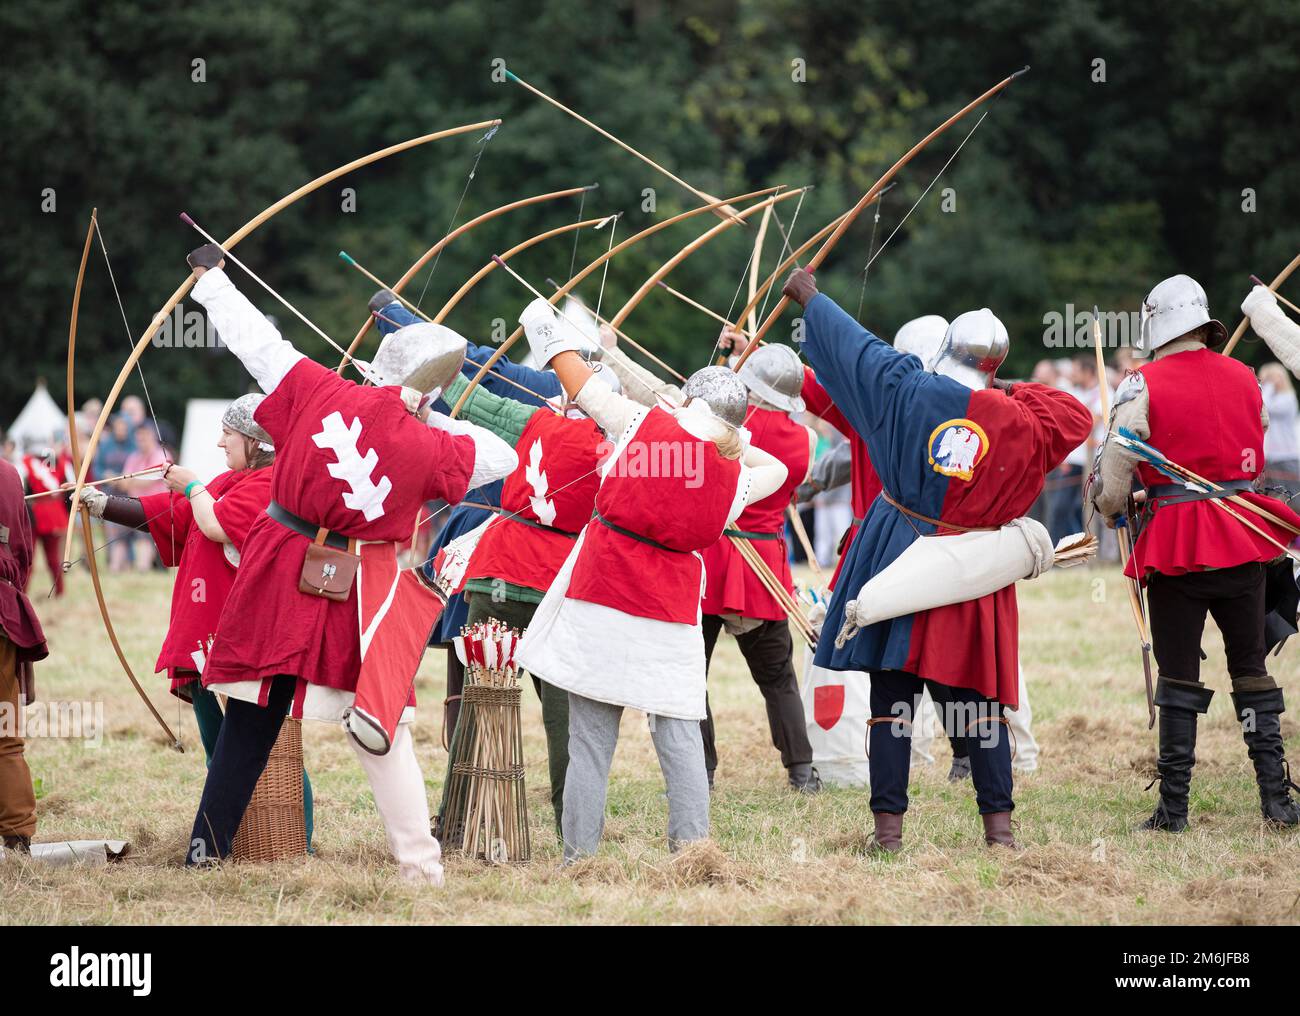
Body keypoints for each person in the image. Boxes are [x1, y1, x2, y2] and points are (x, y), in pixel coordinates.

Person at [179, 245, 516, 882]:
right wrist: (431, 414)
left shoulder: (316, 387)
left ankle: (206, 850)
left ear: (376, 369)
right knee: (379, 724)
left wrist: (215, 281)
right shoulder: (432, 443)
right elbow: (500, 457)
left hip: (284, 564)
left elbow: (259, 343)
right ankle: (420, 869)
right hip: (356, 586)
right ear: (429, 387)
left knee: (254, 711)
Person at [782, 267, 1090, 851]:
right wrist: (1002, 391)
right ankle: (998, 834)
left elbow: (858, 347)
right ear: (995, 366)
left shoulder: (905, 388)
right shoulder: (1023, 420)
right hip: (975, 571)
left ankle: (888, 834)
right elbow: (1072, 415)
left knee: (892, 701)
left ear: (946, 348)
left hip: (901, 553)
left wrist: (812, 299)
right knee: (981, 707)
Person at [515, 299, 788, 860]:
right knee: (679, 730)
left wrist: (541, 323)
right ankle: (692, 854)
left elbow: (579, 383)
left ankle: (579, 858)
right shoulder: (733, 474)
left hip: (604, 588)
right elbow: (777, 470)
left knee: (592, 738)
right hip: (669, 606)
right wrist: (723, 437)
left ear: (690, 402)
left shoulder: (643, 424)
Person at [1093, 274, 1300, 831]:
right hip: (1241, 535)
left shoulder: (1142, 381)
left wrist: (1113, 499)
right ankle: (1276, 799)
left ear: (1156, 325)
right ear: (1204, 323)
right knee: (1251, 669)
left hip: (1177, 545)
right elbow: (1243, 461)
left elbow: (1114, 477)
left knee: (1179, 672)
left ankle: (1175, 809)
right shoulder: (1246, 377)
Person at [79, 395, 315, 845]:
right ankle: (234, 836)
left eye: (230, 433)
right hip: (203, 642)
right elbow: (176, 517)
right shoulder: (228, 482)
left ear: (257, 441)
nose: (220, 441)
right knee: (218, 748)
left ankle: (293, 840)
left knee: (266, 750)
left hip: (243, 644)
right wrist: (101, 504)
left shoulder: (271, 488)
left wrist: (192, 486)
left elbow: (215, 524)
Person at [368, 293, 563, 773]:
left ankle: (471, 778)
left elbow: (463, 362)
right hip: (521, 546)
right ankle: (485, 780)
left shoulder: (534, 383)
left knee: (478, 664)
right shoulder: (567, 390)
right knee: (492, 665)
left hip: (495, 541)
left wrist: (391, 314)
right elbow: (467, 361)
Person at [427, 359, 619, 836]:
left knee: (479, 703)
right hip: (559, 584)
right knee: (564, 718)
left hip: (500, 569)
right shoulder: (621, 450)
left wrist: (437, 367)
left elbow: (471, 397)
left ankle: (454, 825)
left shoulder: (532, 420)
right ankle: (574, 832)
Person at [686, 336, 819, 791]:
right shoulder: (807, 437)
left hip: (710, 558)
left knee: (689, 675)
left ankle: (700, 773)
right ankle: (801, 771)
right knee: (777, 678)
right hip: (762, 563)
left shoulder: (721, 424)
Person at [0, 458, 48, 855]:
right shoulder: (8, 472)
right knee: (5, 734)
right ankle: (17, 837)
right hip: (1, 609)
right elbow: (22, 551)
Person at [15, 439, 74, 596]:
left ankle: (59, 592)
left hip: (48, 514)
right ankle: (23, 594)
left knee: (50, 558)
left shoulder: (59, 463)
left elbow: (71, 489)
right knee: (30, 558)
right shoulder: (27, 463)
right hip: (35, 514)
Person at [1258, 363, 1299, 498]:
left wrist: (1267, 386)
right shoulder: (1275, 398)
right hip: (1270, 456)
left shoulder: (1287, 398)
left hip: (1286, 456)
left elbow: (1264, 403)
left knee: (1293, 497)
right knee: (1271, 495)